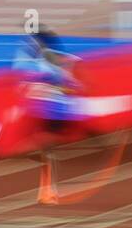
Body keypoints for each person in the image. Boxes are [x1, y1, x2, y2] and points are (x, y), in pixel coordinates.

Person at [14, 29, 84, 205]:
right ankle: (47, 189)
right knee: (46, 150)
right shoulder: (35, 63)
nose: (31, 45)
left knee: (47, 149)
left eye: (34, 43)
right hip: (42, 112)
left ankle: (47, 189)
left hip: (51, 112)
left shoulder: (50, 62)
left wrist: (57, 88)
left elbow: (68, 87)